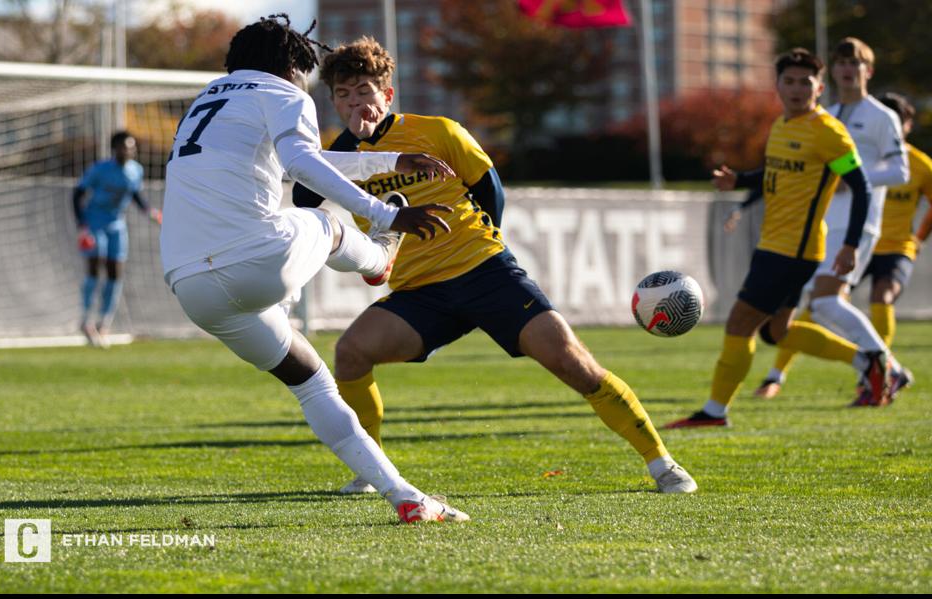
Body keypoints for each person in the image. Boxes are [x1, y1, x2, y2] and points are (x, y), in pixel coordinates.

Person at [292, 36, 695, 495]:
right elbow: (305, 193)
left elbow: (489, 189)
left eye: (363, 89)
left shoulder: (438, 131)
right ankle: (371, 471)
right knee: (350, 353)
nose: (353, 101)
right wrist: (352, 140)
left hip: (485, 273)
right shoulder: (342, 154)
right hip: (420, 293)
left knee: (575, 365)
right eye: (342, 94)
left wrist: (487, 246)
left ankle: (662, 462)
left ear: (387, 94)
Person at [159, 14, 469, 523]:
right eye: (304, 73)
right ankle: (380, 258)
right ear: (291, 67)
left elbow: (303, 159)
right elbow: (303, 165)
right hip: (255, 260)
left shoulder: (203, 104)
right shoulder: (283, 94)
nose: (305, 84)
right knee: (319, 221)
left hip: (192, 287)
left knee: (312, 383)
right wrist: (387, 213)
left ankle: (406, 497)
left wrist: (388, 160)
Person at [663, 47, 886, 429]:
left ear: (819, 88)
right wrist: (741, 180)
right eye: (790, 81)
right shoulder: (783, 124)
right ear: (778, 85)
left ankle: (714, 412)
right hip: (778, 245)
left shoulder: (829, 133)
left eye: (806, 82)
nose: (797, 88)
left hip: (792, 251)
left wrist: (850, 246)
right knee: (775, 332)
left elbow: (861, 188)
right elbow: (776, 172)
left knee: (738, 323)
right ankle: (868, 360)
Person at [753, 37, 913, 405]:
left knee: (823, 304)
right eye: (840, 62)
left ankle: (883, 365)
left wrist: (855, 176)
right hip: (823, 224)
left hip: (859, 223)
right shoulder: (829, 112)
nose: (846, 69)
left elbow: (900, 170)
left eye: (854, 63)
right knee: (818, 305)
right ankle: (888, 367)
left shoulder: (881, 116)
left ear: (867, 71)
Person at [72, 131, 161, 347]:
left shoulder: (135, 171)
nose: (128, 151)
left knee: (115, 274)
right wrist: (82, 226)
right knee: (95, 269)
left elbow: (136, 195)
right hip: (95, 223)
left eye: (131, 147)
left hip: (117, 225)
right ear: (115, 149)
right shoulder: (100, 169)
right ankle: (86, 320)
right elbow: (77, 194)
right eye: (123, 147)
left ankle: (104, 324)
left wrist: (150, 211)